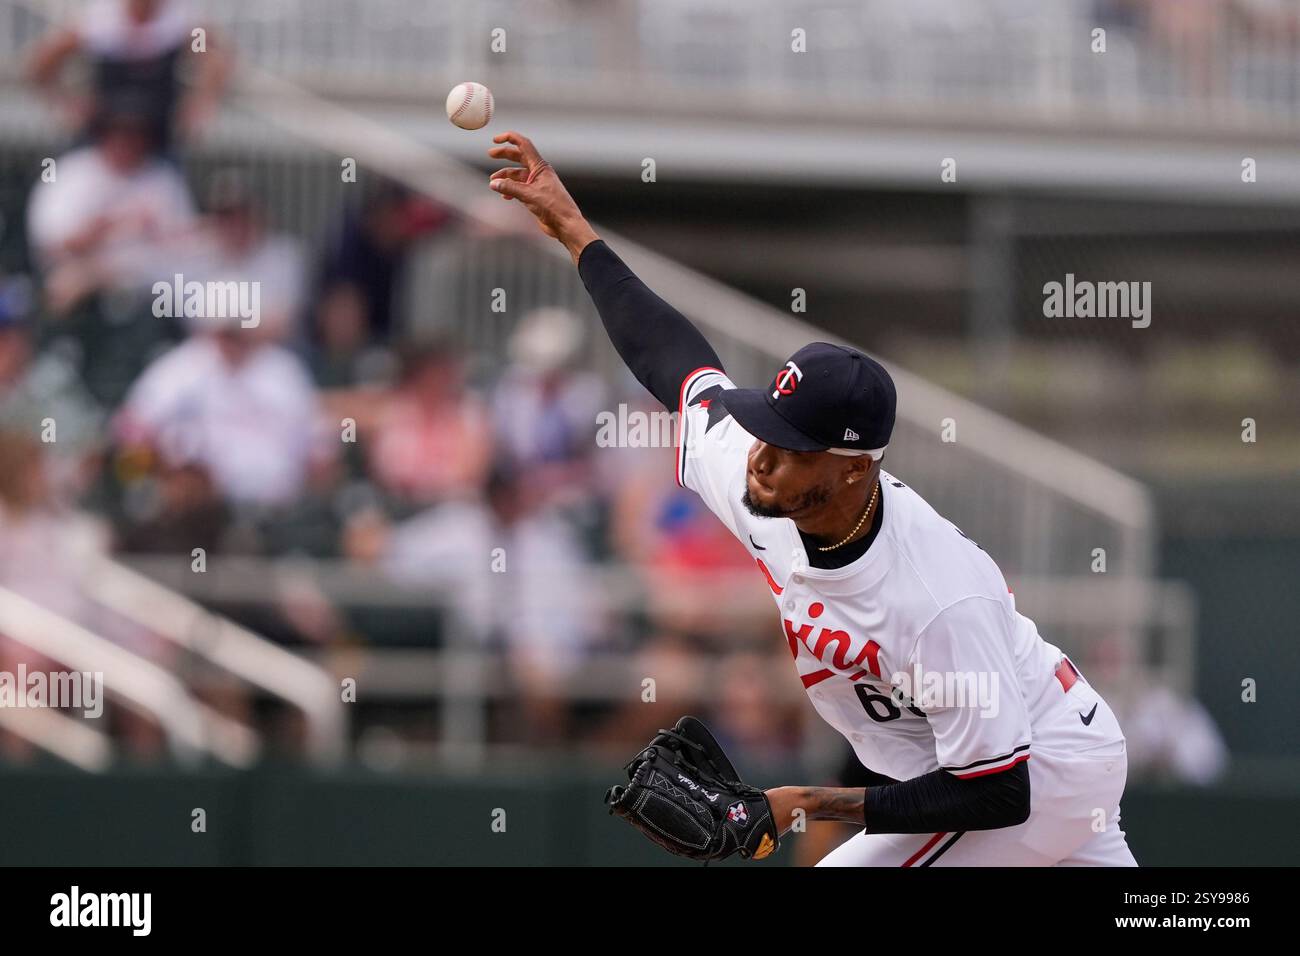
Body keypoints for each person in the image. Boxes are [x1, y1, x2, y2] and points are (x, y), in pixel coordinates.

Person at [486, 131, 1136, 866]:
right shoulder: (757, 473)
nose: (762, 457)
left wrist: (809, 804)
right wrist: (577, 233)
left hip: (1040, 769)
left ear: (855, 468)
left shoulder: (935, 599)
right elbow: (676, 365)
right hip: (1010, 757)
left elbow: (999, 790)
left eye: (792, 448)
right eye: (768, 428)